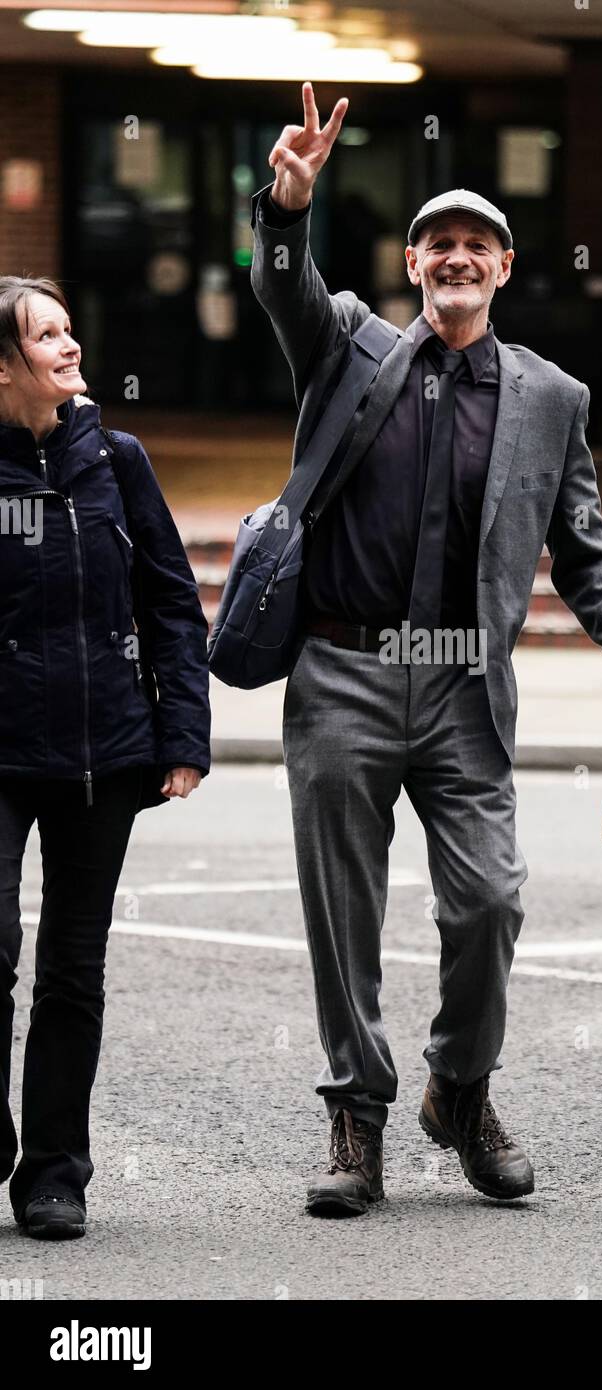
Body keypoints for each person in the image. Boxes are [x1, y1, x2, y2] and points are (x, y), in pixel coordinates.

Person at [251, 83, 602, 1216]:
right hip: (341, 668)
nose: (454, 257)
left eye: (474, 244)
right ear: (409, 260)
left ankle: (459, 1085)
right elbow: (282, 289)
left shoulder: (551, 398)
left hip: (463, 686)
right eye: (436, 241)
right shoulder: (347, 345)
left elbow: (583, 550)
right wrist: (286, 209)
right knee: (341, 907)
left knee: (487, 901)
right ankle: (355, 1112)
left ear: (502, 265)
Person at [0, 276, 211, 1237]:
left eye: (70, 330)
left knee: (72, 972)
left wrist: (182, 736)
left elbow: (170, 600)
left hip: (104, 758)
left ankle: (54, 1174)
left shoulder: (116, 462)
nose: (71, 347)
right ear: (5, 368)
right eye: (48, 336)